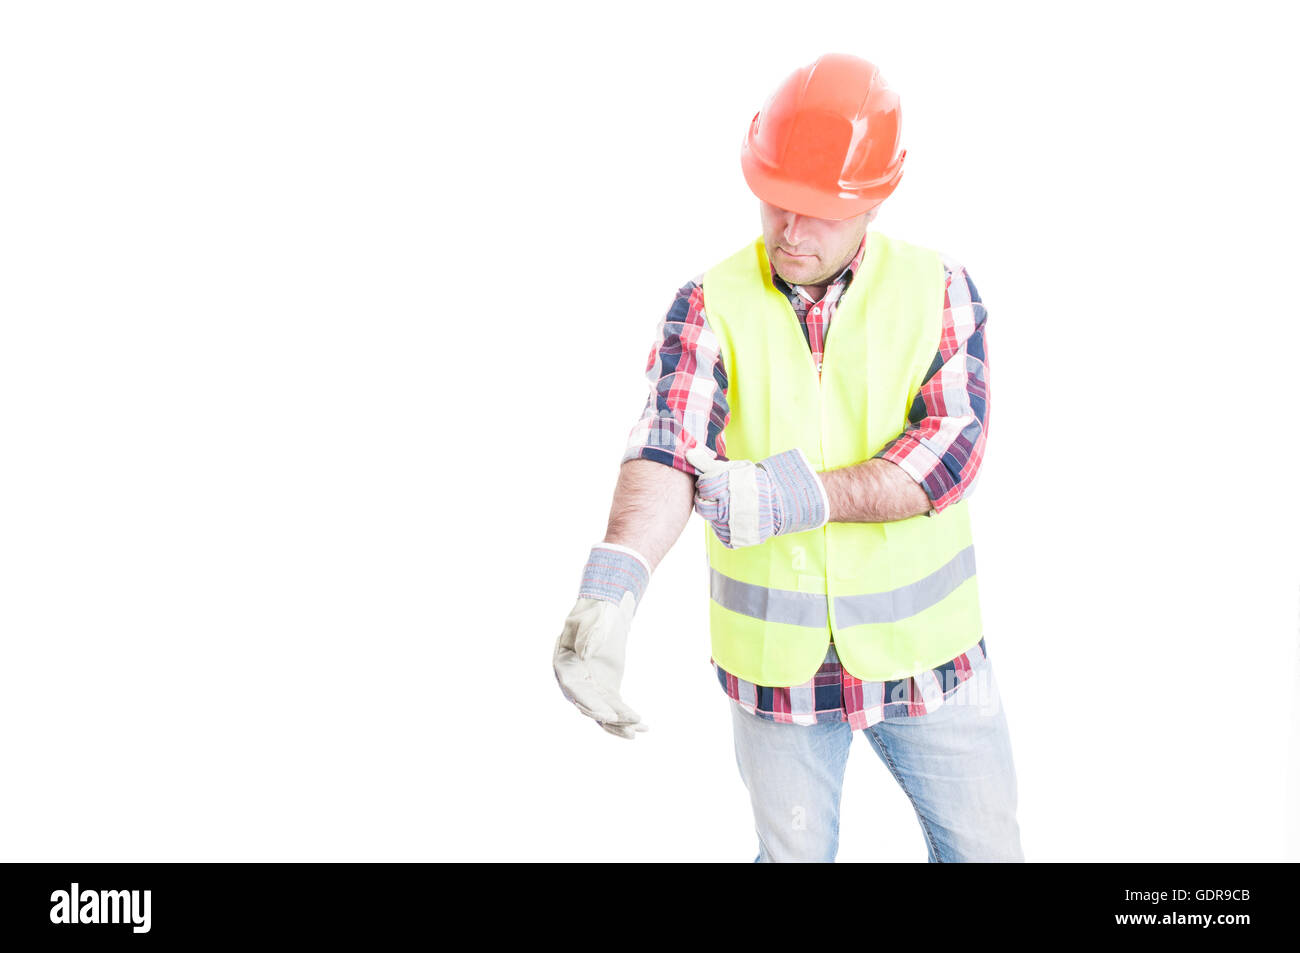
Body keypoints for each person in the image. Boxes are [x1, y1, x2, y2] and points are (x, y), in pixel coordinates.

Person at [552, 52, 1024, 863]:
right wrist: (615, 581)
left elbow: (950, 452)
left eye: (818, 212)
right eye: (776, 203)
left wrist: (793, 495)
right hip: (779, 674)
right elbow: (669, 441)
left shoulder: (939, 290)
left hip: (928, 663)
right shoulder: (710, 302)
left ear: (875, 198)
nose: (790, 231)